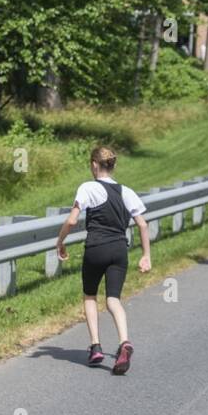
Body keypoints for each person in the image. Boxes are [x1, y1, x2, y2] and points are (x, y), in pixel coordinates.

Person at [55, 146, 151, 375]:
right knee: (113, 300)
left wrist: (60, 242)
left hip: (96, 248)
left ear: (94, 165)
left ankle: (96, 347)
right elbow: (143, 224)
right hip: (119, 249)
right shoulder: (125, 191)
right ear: (113, 166)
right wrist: (146, 255)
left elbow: (71, 221)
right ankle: (124, 342)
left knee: (90, 295)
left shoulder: (88, 187)